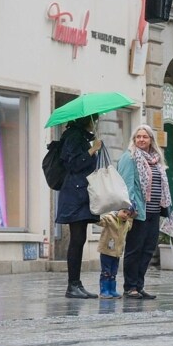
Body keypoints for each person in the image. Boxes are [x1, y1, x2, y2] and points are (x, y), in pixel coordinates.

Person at [116, 124, 171, 299]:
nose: (141, 139)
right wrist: (129, 206)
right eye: (138, 137)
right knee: (134, 249)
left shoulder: (156, 159)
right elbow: (126, 183)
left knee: (148, 249)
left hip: (154, 211)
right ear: (134, 140)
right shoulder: (129, 157)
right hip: (138, 211)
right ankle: (130, 286)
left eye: (144, 137)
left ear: (151, 140)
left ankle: (139, 285)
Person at [55, 114, 102, 299]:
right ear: (86, 120)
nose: (95, 123)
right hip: (74, 195)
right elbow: (73, 164)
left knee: (79, 239)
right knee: (77, 240)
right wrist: (92, 150)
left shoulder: (81, 137)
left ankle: (76, 283)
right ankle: (72, 285)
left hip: (80, 194)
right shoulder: (73, 136)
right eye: (93, 120)